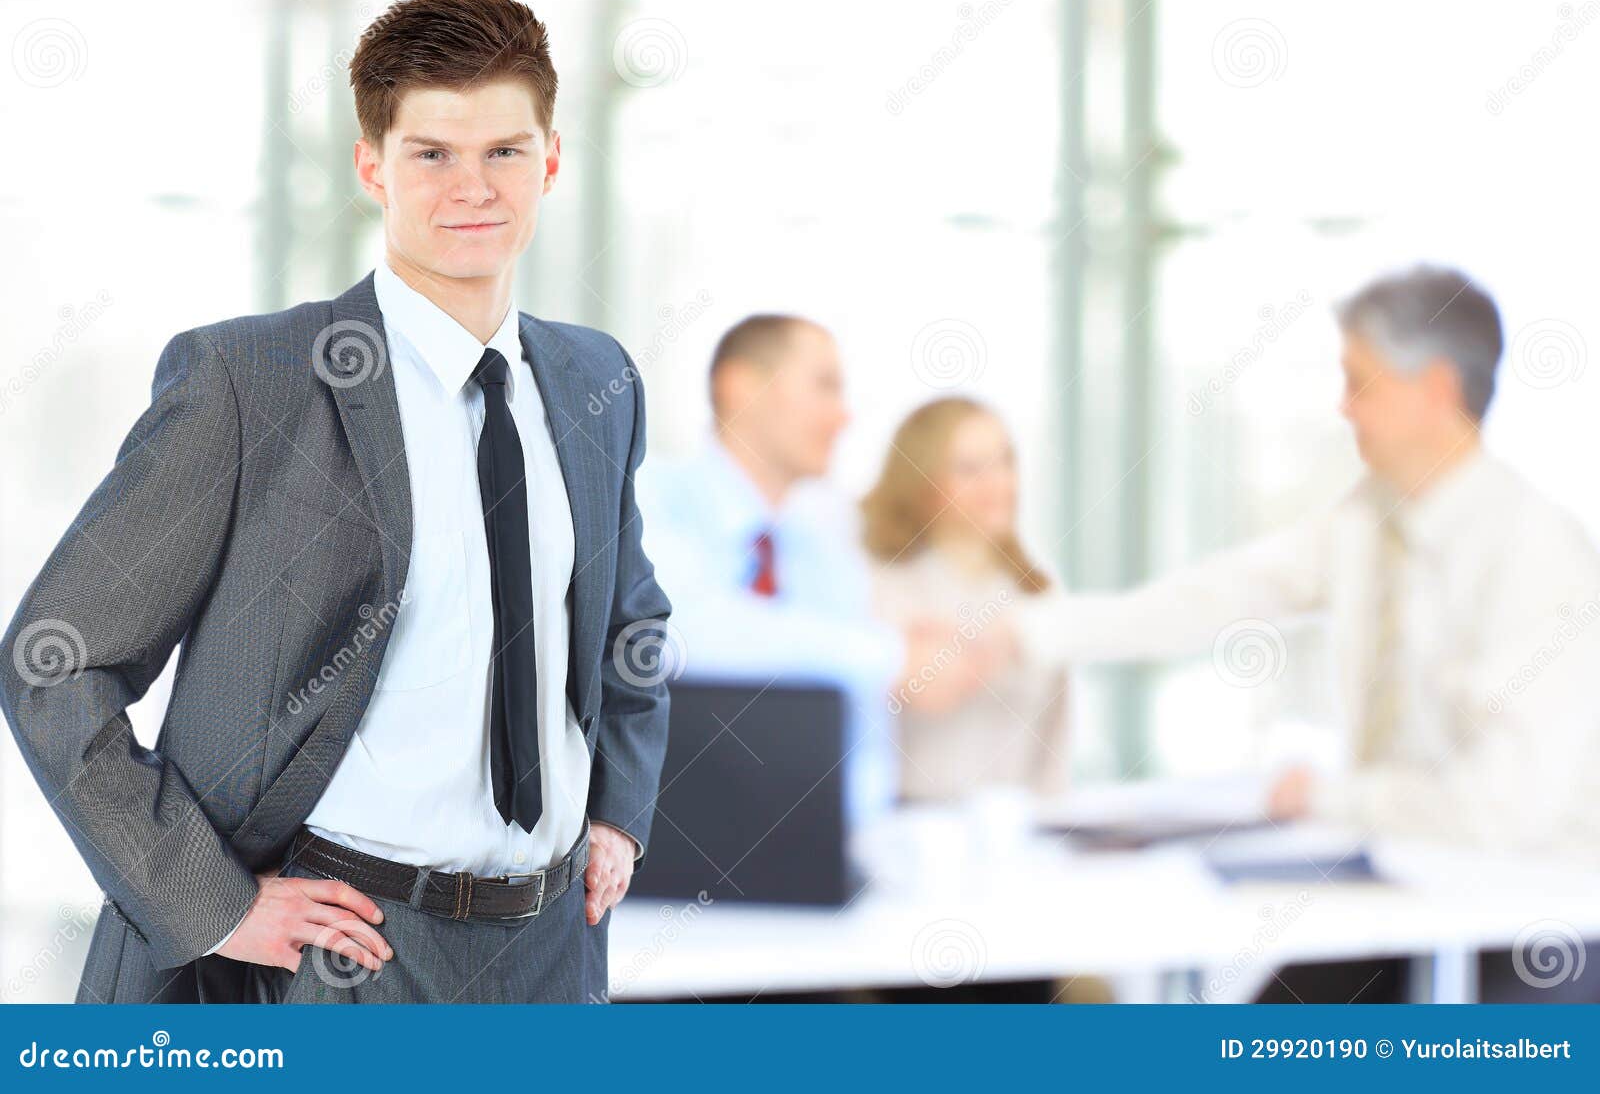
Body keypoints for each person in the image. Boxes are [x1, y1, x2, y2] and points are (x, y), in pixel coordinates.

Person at [0, 0, 671, 1004]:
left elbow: (630, 617)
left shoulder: (594, 381)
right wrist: (216, 901)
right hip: (341, 958)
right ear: (372, 165)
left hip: (551, 956)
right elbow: (56, 659)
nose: (473, 188)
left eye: (504, 150)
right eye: (431, 153)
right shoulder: (252, 381)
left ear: (552, 159)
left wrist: (618, 806)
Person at [1014, 264, 1600, 1000]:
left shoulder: (1536, 552)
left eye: (1362, 383)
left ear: (1437, 391)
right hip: (1404, 889)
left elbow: (1502, 812)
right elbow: (1226, 591)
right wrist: (1029, 634)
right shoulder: (1371, 516)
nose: (1344, 408)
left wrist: (1327, 798)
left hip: (1533, 923)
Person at [638, 314, 981, 830]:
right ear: (740, 387)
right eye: (824, 387)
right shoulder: (649, 499)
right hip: (666, 868)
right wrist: (888, 655)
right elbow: (675, 633)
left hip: (813, 861)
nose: (843, 417)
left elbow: (861, 744)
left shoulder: (822, 546)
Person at [862, 397, 1069, 803]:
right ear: (922, 482)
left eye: (1005, 461)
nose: (998, 484)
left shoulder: (1038, 590)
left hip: (1017, 831)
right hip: (909, 827)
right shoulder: (879, 582)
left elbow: (1056, 740)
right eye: (970, 469)